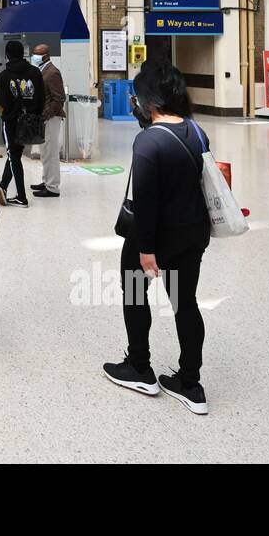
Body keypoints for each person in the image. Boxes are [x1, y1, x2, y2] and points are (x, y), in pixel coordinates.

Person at [103, 59, 212, 416]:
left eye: (136, 97)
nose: (133, 103)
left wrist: (146, 249)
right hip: (193, 235)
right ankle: (190, 382)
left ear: (149, 100)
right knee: (185, 303)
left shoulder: (148, 141)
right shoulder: (197, 132)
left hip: (151, 239)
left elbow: (145, 203)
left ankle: (139, 367)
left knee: (135, 294)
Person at [0, 40, 43, 207]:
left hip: (11, 121)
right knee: (14, 154)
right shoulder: (35, 72)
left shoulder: (3, 76)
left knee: (13, 155)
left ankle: (21, 196)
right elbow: (41, 97)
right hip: (30, 121)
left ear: (7, 55)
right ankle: (2, 186)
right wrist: (34, 114)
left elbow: (3, 102)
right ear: (23, 53)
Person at [30, 43, 66, 199]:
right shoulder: (42, 70)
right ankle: (46, 181)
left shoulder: (52, 72)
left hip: (51, 118)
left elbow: (59, 98)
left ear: (45, 56)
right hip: (44, 117)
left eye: (36, 54)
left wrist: (46, 114)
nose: (34, 56)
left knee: (50, 153)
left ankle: (52, 187)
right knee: (45, 152)